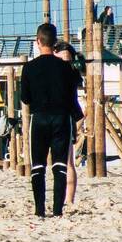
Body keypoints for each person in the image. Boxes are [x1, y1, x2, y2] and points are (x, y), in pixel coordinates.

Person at [21, 23, 81, 217]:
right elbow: (73, 96)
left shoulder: (29, 68)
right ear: (55, 42)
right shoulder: (66, 68)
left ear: (38, 42)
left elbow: (26, 98)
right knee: (60, 166)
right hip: (61, 118)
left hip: (39, 119)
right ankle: (57, 210)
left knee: (38, 166)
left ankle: (39, 210)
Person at [53, 41, 84, 209]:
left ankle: (69, 200)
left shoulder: (71, 75)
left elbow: (74, 106)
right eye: (60, 60)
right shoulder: (50, 71)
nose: (64, 64)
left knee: (67, 161)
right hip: (50, 118)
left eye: (67, 60)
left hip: (66, 117)